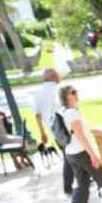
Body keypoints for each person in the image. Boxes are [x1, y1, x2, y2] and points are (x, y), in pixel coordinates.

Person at [57, 85, 102, 203]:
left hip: (70, 153)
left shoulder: (62, 111)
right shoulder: (72, 113)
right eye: (72, 92)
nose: (76, 94)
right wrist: (93, 155)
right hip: (81, 152)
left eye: (76, 91)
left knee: (82, 185)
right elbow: (80, 136)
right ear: (66, 97)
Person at [33, 68, 74, 196]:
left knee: (72, 154)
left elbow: (37, 115)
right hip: (67, 126)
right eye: (58, 75)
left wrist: (42, 133)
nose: (59, 77)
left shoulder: (38, 92)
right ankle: (68, 187)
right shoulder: (60, 89)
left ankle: (81, 179)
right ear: (54, 76)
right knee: (71, 155)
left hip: (54, 129)